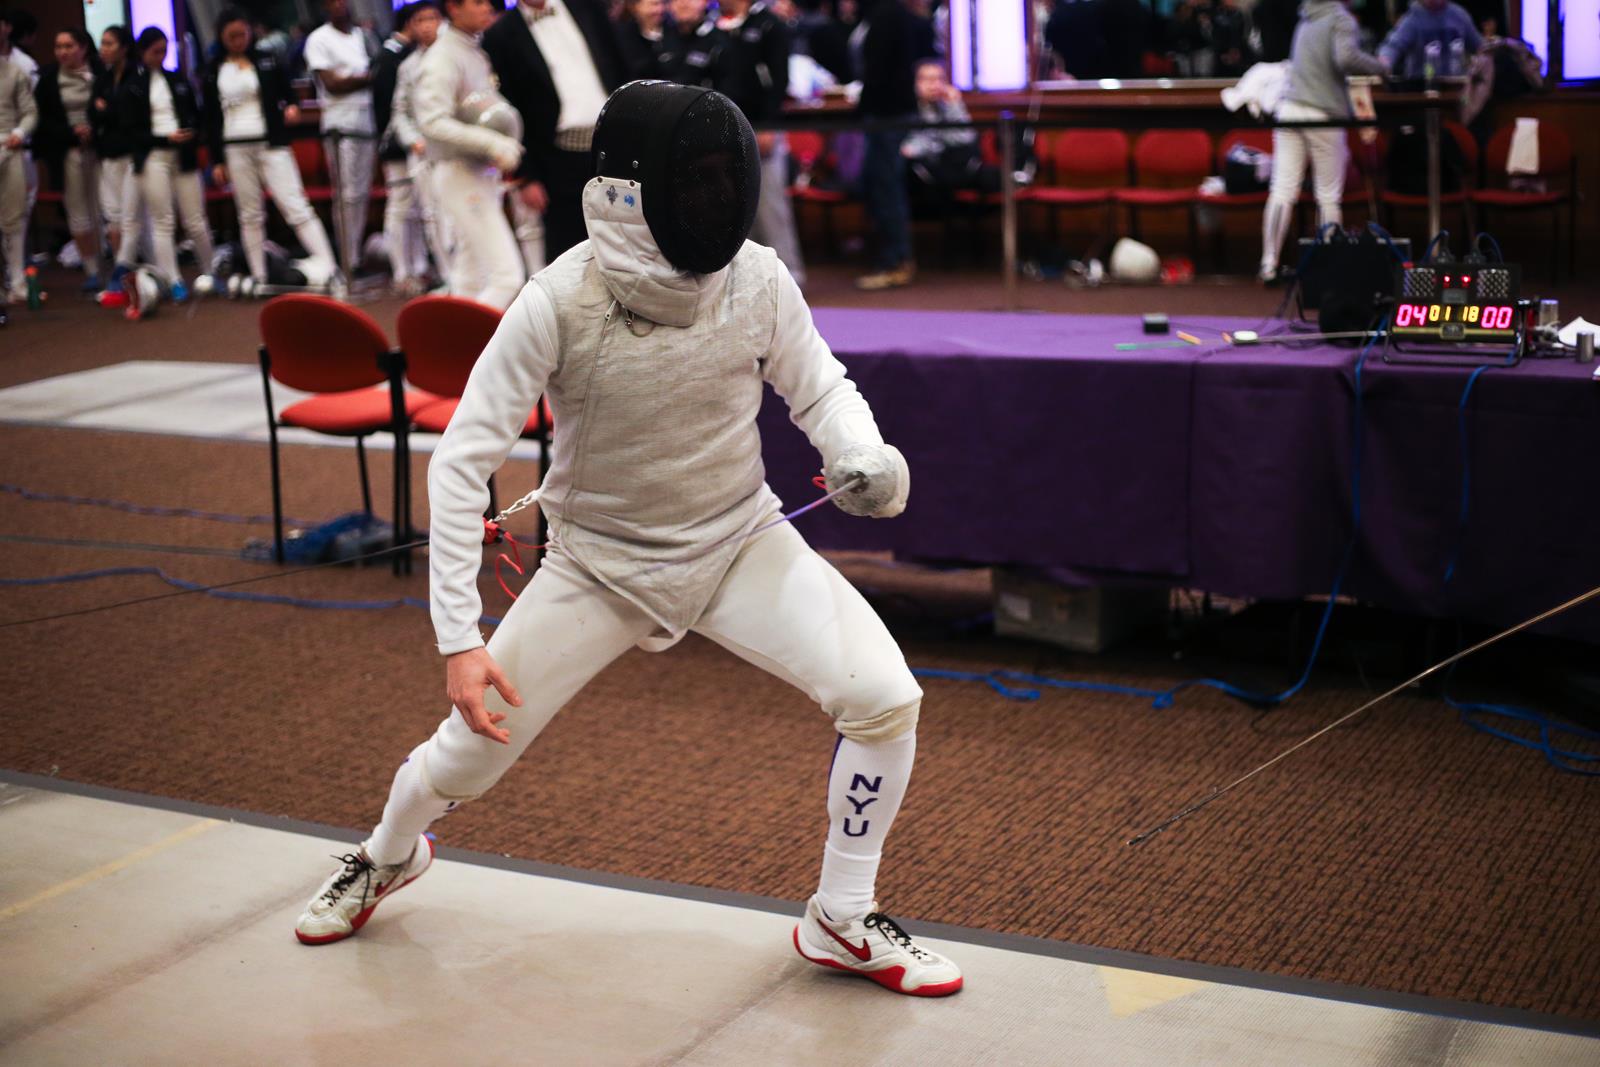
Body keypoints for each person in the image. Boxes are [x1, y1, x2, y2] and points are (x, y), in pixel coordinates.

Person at [293, 79, 964, 999]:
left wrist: (861, 453)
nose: (712, 196)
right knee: (466, 755)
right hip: (598, 562)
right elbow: (459, 464)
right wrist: (458, 639)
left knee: (885, 698)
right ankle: (386, 852)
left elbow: (820, 386)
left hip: (738, 540)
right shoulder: (558, 299)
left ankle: (842, 916)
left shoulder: (757, 276)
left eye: (719, 176)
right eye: (692, 179)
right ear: (629, 191)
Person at [481, 0, 624, 266]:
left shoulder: (587, 7)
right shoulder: (500, 34)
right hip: (557, 159)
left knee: (624, 238)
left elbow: (620, 64)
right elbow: (511, 109)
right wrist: (526, 176)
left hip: (614, 145)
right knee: (571, 253)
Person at [202, 8, 337, 290]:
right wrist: (217, 160)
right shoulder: (213, 67)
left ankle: (330, 267)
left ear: (250, 33)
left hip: (271, 143)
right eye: (231, 36)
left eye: (242, 34)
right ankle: (259, 276)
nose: (238, 41)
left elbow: (289, 94)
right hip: (234, 146)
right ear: (221, 37)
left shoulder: (267, 59)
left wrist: (291, 108)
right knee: (249, 214)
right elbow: (211, 118)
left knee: (295, 205)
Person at [1257, 0, 1384, 282]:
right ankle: (1329, 267)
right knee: (1327, 195)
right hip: (1323, 113)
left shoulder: (1305, 17)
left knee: (1281, 189)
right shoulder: (1340, 19)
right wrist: (1380, 66)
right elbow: (1345, 58)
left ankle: (1268, 263)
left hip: (1289, 109)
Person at [417, 0, 524, 308]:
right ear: (453, 7)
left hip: (478, 171)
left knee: (469, 275)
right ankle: (474, 338)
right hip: (458, 172)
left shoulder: (472, 50)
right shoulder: (443, 57)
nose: (487, 8)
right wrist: (492, 143)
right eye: (478, 2)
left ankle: (454, 339)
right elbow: (431, 122)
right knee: (507, 276)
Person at [710, 0, 806, 286]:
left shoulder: (769, 24)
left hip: (761, 126)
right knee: (735, 206)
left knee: (770, 205)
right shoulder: (715, 26)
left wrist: (769, 126)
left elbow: (779, 79)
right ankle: (745, 280)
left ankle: (789, 277)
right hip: (725, 126)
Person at [117, 27, 216, 301]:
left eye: (163, 51)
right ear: (142, 52)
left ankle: (211, 271)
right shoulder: (132, 85)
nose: (160, 56)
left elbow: (195, 114)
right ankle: (173, 280)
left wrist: (191, 132)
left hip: (182, 154)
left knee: (196, 219)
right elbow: (130, 131)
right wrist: (163, 138)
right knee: (163, 220)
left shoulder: (177, 79)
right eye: (155, 52)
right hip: (153, 156)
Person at [304, 0, 377, 277]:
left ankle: (355, 256)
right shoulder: (319, 39)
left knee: (361, 193)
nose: (339, 5)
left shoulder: (363, 35)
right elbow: (332, 84)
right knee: (346, 194)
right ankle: (347, 259)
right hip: (339, 123)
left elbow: (378, 68)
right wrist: (366, 77)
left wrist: (355, 77)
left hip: (367, 119)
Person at [33, 27, 105, 292]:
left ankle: (111, 264)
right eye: (58, 47)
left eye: (69, 46)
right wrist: (72, 132)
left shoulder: (100, 72)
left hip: (100, 148)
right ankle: (91, 268)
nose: (62, 52)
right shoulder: (49, 78)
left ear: (83, 48)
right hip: (67, 151)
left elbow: (113, 107)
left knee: (105, 207)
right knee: (78, 210)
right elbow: (43, 121)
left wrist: (94, 127)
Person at [854, 0, 919, 290]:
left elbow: (878, 70)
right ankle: (893, 258)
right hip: (884, 114)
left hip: (887, 115)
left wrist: (861, 108)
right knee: (881, 188)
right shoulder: (884, 12)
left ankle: (896, 261)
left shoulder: (888, 13)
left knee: (887, 190)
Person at [389, 3, 450, 287]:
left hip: (455, 148)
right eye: (419, 20)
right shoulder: (407, 66)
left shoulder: (455, 55)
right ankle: (449, 276)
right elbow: (399, 111)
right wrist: (412, 139)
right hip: (422, 151)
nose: (426, 26)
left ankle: (474, 276)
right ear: (411, 27)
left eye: (431, 19)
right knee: (430, 216)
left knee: (459, 213)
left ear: (442, 21)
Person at [373, 2, 428, 294]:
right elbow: (387, 107)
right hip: (395, 143)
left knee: (417, 209)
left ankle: (419, 267)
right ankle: (400, 271)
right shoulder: (390, 56)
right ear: (410, 23)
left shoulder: (412, 54)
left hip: (417, 143)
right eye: (422, 20)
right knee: (399, 207)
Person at [901, 59, 993, 214]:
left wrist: (955, 106)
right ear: (915, 83)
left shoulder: (948, 106)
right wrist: (941, 141)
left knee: (981, 170)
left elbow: (966, 138)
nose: (935, 85)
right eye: (928, 79)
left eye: (940, 79)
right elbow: (908, 148)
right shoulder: (907, 109)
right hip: (920, 176)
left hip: (950, 169)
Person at [94, 26, 142, 285]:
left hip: (132, 154)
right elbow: (93, 111)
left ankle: (124, 269)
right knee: (112, 214)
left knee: (131, 214)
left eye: (109, 43)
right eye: (102, 43)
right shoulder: (103, 78)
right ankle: (121, 267)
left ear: (124, 48)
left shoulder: (137, 76)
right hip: (108, 152)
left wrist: (107, 109)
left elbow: (128, 114)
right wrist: (104, 111)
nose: (104, 49)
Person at [1, 26, 36, 308]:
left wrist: (19, 133)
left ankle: (17, 281)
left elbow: (29, 112)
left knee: (14, 218)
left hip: (8, 147)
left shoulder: (14, 72)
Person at [1379, 0, 1482, 80]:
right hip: (1421, 86)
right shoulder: (1413, 18)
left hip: (1455, 85)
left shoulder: (1459, 15)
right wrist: (1384, 61)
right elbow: (1393, 46)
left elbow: (1479, 46)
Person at [616, 0, 668, 79]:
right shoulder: (624, 37)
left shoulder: (673, 30)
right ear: (636, 7)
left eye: (662, 3)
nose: (660, 9)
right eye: (654, 4)